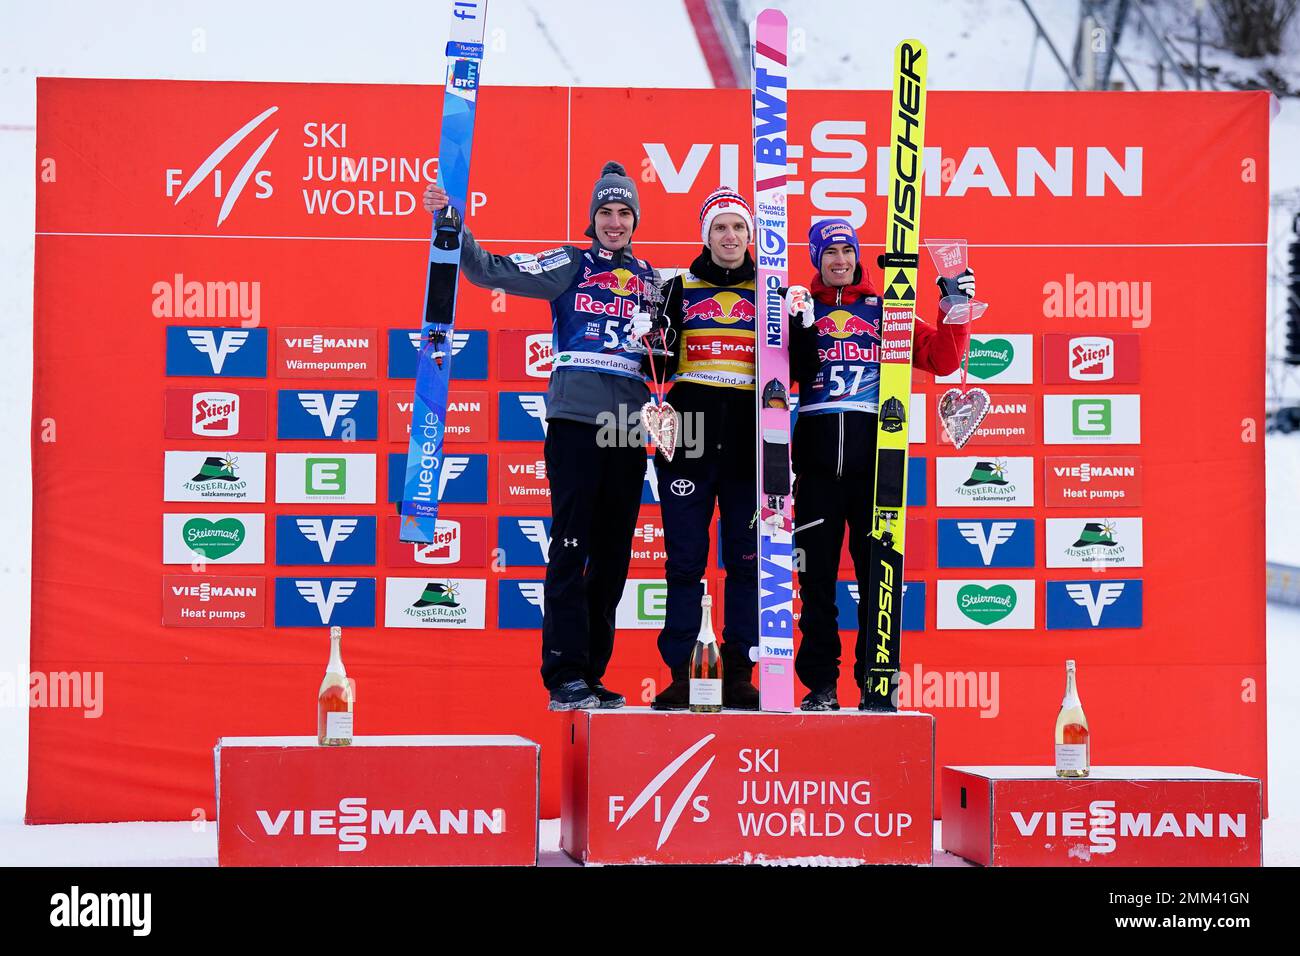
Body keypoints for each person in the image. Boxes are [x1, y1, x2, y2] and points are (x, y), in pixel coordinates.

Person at [423, 162, 658, 712]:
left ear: (636, 220)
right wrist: (452, 221)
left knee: (614, 558)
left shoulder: (652, 279)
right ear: (592, 218)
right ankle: (565, 676)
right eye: (606, 212)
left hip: (629, 428)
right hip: (576, 420)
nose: (615, 222)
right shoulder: (571, 264)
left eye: (625, 213)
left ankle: (592, 676)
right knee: (572, 547)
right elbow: (488, 271)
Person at [786, 218, 974, 711]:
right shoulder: (800, 311)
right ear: (816, 259)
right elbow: (774, 369)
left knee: (880, 580)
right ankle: (820, 687)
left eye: (847, 251)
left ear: (858, 256)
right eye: (830, 253)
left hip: (878, 467)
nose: (840, 260)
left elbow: (943, 358)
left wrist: (955, 306)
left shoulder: (886, 310)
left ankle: (879, 683)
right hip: (818, 469)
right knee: (817, 585)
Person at [645, 186, 761, 711]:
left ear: (751, 236)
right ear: (706, 236)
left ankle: (737, 671)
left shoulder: (772, 290)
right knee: (684, 562)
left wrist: (802, 322)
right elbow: (657, 365)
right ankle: (684, 674)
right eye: (720, 227)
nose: (730, 236)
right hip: (687, 436)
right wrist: (652, 335)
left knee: (746, 562)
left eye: (738, 227)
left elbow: (798, 366)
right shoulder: (676, 287)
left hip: (749, 444)